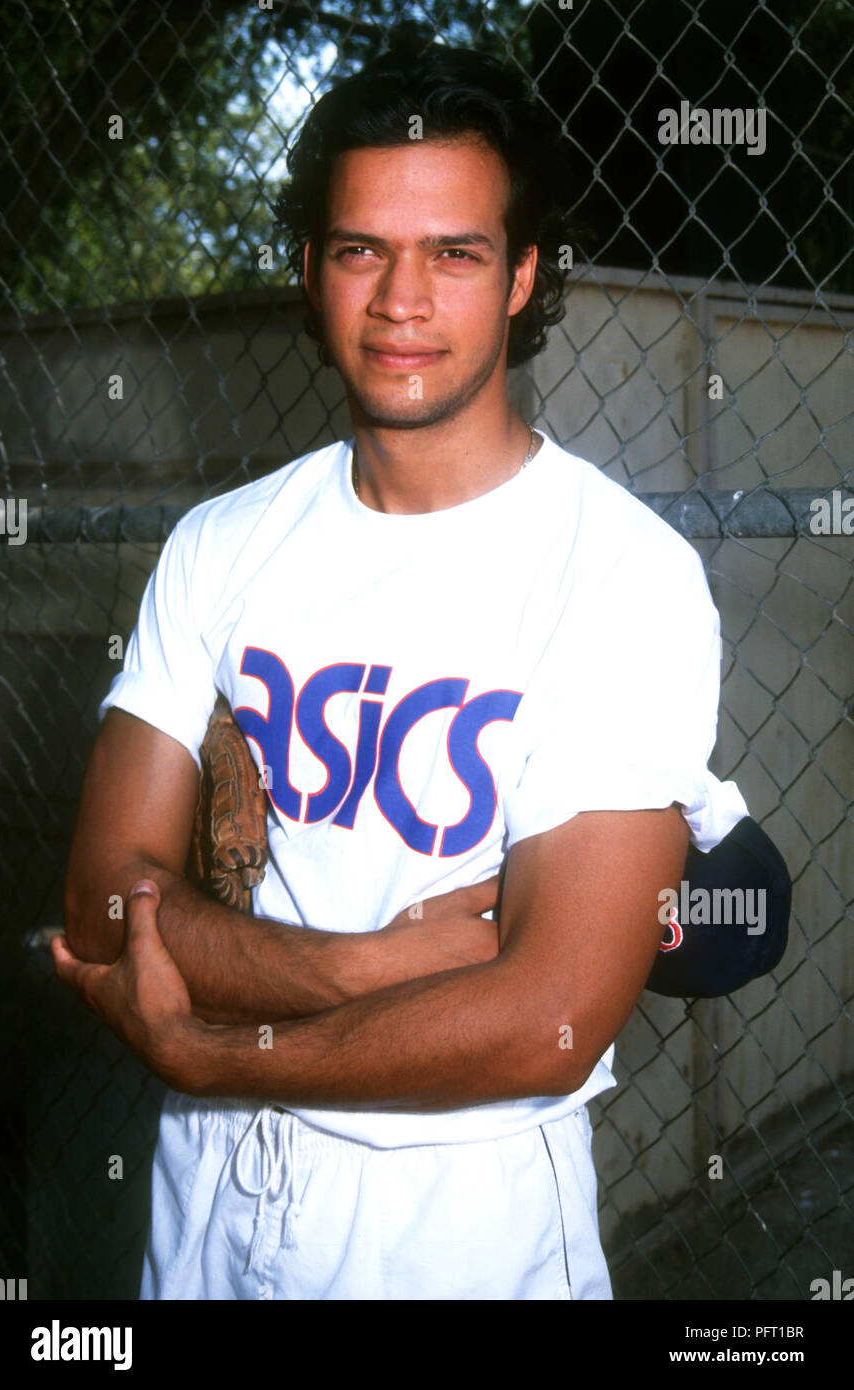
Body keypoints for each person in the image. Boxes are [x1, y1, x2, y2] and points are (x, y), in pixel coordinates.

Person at [52, 41, 748, 1301]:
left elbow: (542, 1023)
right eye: (362, 248)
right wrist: (356, 968)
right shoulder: (221, 543)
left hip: (455, 1208)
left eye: (456, 253)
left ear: (525, 274)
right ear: (312, 270)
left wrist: (214, 1047)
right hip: (207, 1190)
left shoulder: (620, 574)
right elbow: (105, 906)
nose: (400, 301)